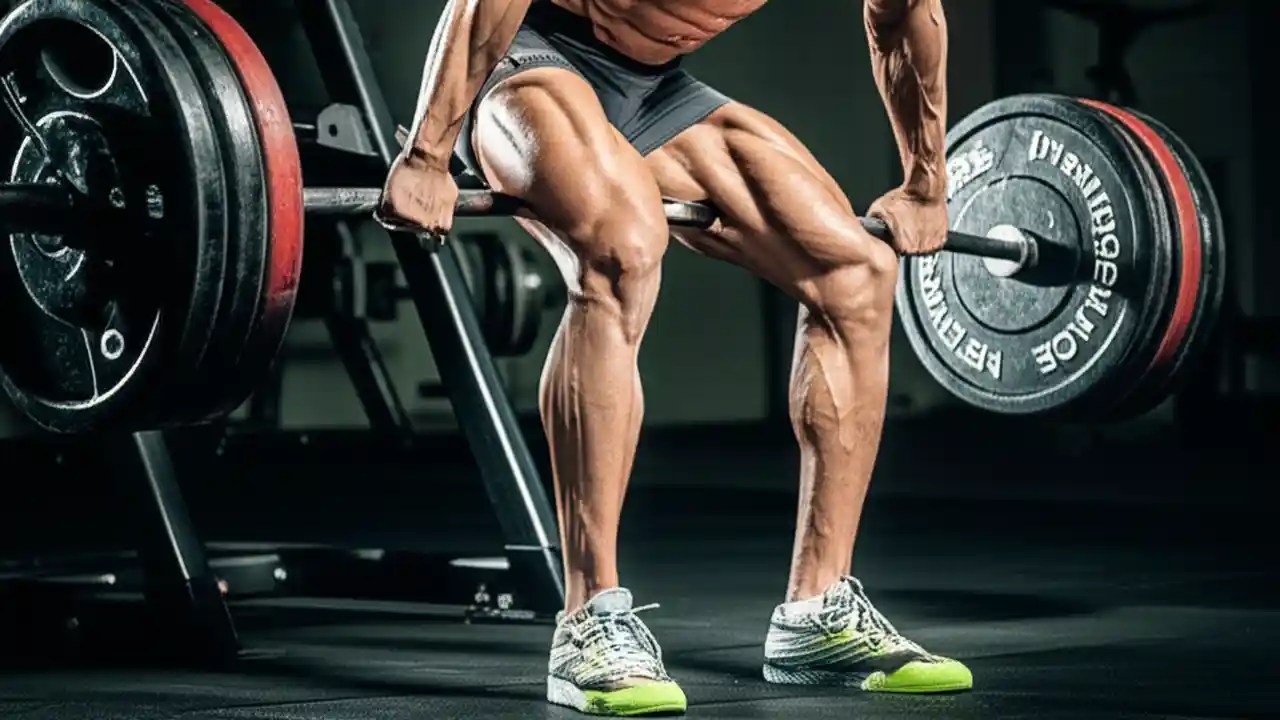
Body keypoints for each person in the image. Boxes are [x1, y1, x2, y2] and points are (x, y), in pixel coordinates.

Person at [378, 0, 971, 714]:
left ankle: (818, 617)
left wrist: (927, 181)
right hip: (526, 62)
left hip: (652, 87)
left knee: (856, 271)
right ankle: (588, 618)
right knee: (622, 247)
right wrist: (428, 154)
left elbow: (906, 16)